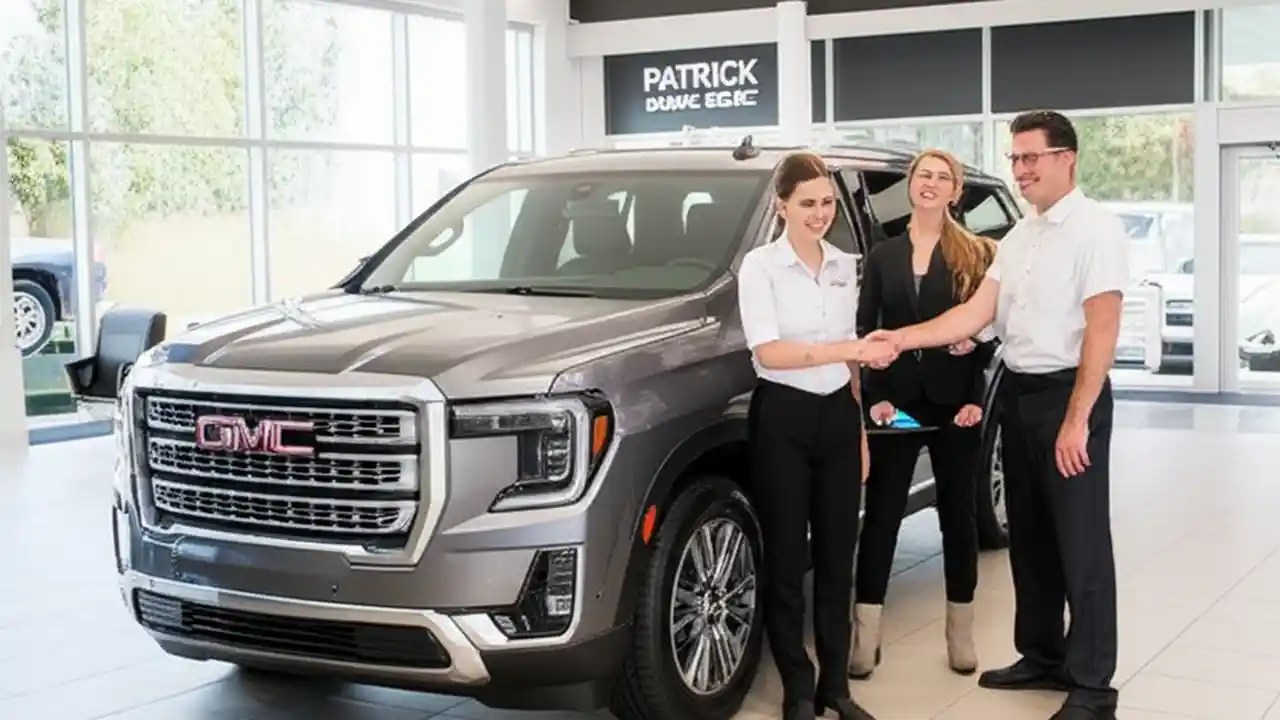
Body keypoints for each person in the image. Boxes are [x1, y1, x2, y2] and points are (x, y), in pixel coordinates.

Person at [864, 111, 1127, 720]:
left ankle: (1092, 687)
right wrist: (899, 340)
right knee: (1030, 538)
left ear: (1067, 158)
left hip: (1069, 396)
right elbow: (974, 315)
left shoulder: (1096, 230)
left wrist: (1077, 417)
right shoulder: (1021, 235)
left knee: (1081, 545)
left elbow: (1103, 331)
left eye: (1031, 157)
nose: (1020, 169)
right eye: (1015, 158)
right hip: (1018, 392)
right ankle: (1041, 655)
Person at [738, 151, 892, 720]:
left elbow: (850, 357)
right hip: (782, 414)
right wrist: (845, 350)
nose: (820, 213)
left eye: (827, 202)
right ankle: (797, 690)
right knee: (785, 560)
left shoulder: (843, 263)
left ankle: (835, 686)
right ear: (782, 206)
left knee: (836, 557)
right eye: (808, 203)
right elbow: (769, 350)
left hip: (834, 416)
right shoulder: (760, 267)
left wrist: (858, 432)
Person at [847, 149, 997, 681]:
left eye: (942, 178)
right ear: (909, 186)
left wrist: (974, 359)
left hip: (956, 405)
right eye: (923, 176)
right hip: (897, 405)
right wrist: (874, 399)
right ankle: (866, 636)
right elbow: (866, 332)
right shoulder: (883, 255)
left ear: (956, 191)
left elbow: (994, 331)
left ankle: (961, 632)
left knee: (958, 518)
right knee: (883, 516)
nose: (931, 184)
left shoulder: (975, 252)